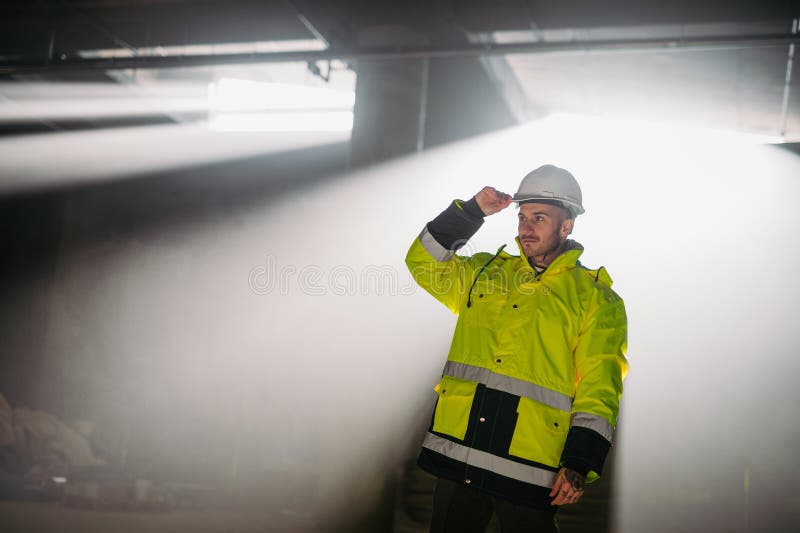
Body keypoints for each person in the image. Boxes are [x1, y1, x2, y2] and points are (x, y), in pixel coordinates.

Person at [405, 165, 628, 533]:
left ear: (566, 225)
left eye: (539, 218)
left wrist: (578, 462)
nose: (525, 228)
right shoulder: (485, 272)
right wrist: (473, 211)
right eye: (522, 217)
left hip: (528, 467)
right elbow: (422, 260)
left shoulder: (597, 301)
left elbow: (599, 388)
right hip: (460, 453)